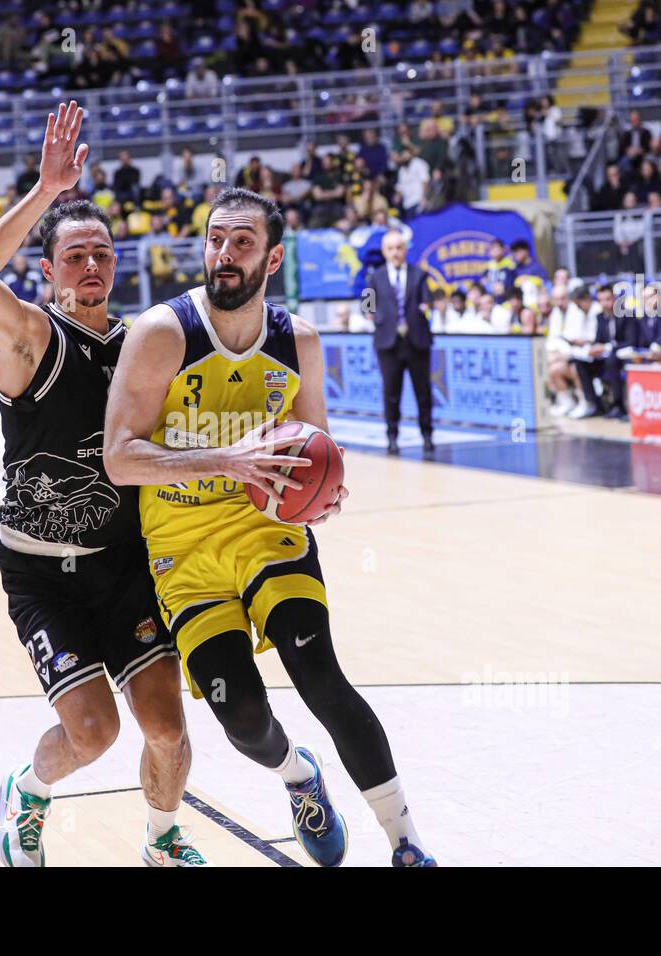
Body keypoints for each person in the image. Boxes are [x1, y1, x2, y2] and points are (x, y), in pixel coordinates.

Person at [103, 186, 438, 868]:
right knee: (245, 719)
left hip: (266, 534)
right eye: (216, 240)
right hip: (182, 550)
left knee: (320, 675)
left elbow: (319, 445)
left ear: (273, 257)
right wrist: (228, 458)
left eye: (242, 243)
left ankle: (407, 844)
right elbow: (118, 457)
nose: (224, 255)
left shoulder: (297, 343)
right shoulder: (163, 334)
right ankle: (299, 778)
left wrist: (324, 493)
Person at [0, 100, 203, 868]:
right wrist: (46, 191)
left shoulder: (145, 344)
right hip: (41, 571)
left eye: (101, 253)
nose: (90, 266)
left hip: (125, 566)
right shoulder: (31, 337)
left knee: (166, 727)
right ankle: (27, 791)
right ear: (50, 270)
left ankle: (163, 842)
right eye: (74, 255)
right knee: (94, 734)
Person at [367, 229, 435, 456]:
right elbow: (367, 306)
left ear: (405, 249)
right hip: (388, 342)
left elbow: (428, 300)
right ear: (385, 252)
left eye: (399, 247)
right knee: (391, 393)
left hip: (416, 341)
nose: (395, 252)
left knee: (423, 391)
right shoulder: (374, 276)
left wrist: (427, 307)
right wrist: (376, 316)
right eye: (391, 248)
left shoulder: (419, 274)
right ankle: (392, 436)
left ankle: (427, 435)